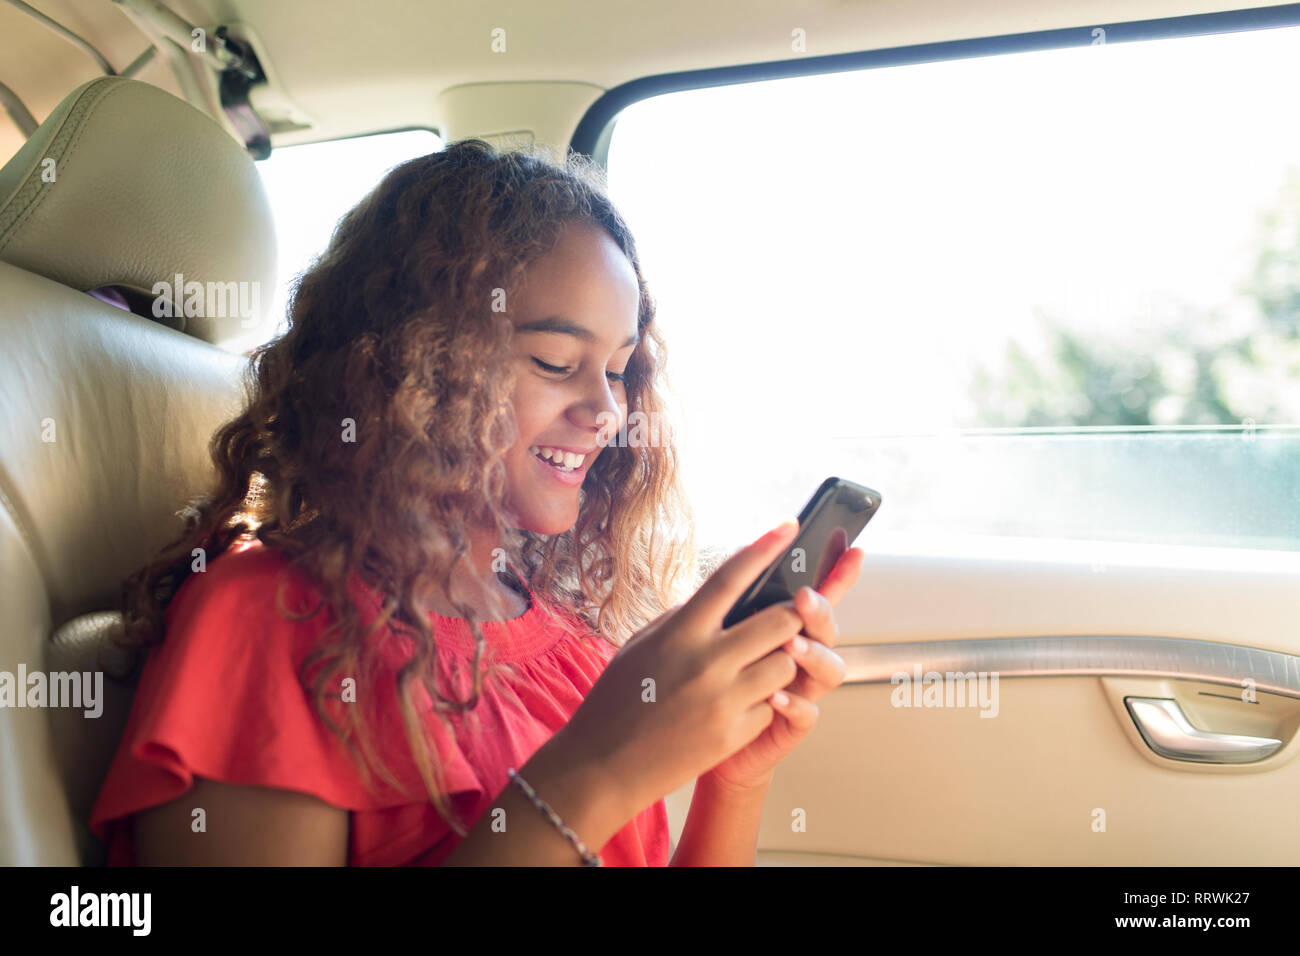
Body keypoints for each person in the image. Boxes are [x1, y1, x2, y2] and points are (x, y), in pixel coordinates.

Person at [88, 138, 863, 865]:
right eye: (557, 361)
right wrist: (604, 767)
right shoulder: (269, 623)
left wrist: (734, 775)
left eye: (620, 369)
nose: (607, 411)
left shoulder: (570, 646)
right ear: (414, 365)